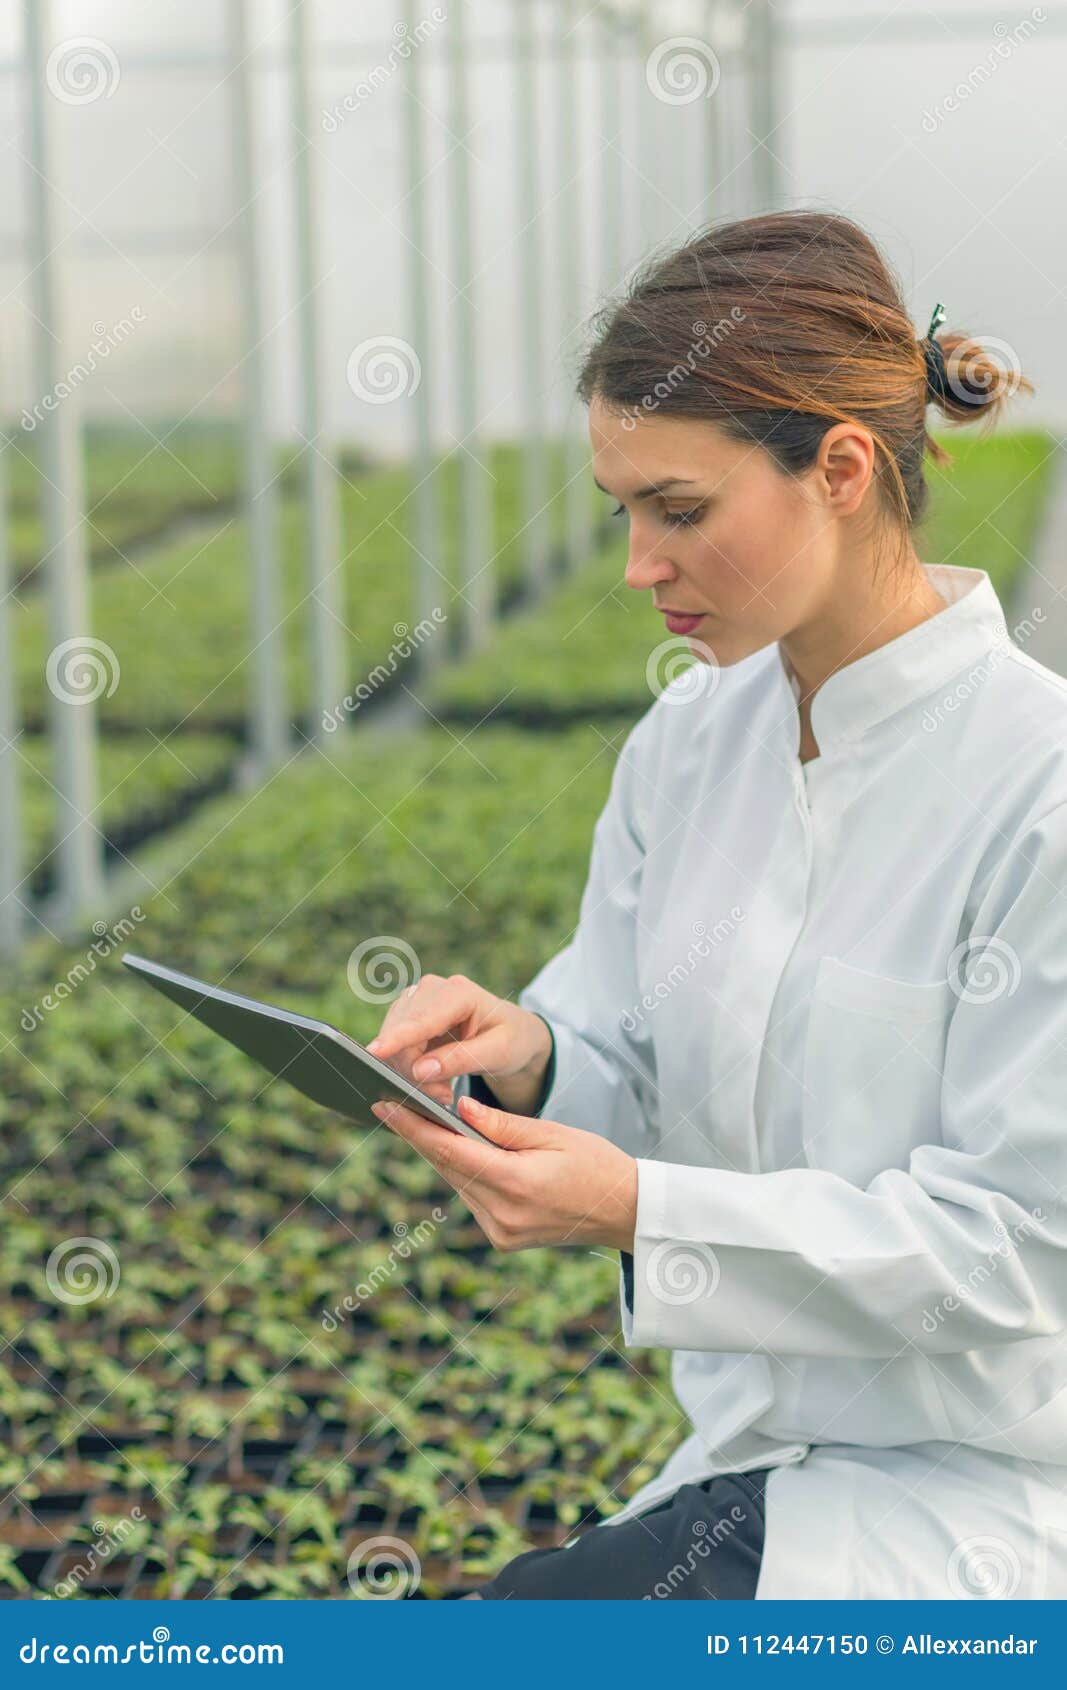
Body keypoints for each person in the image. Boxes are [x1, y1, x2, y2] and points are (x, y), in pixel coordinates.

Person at [367, 209, 1067, 1600]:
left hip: (978, 1491)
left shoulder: (1036, 790)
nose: (639, 565)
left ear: (844, 469)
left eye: (679, 511)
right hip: (750, 1462)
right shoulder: (688, 745)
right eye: (623, 510)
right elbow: (624, 1052)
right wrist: (527, 1062)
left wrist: (644, 1208)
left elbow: (1015, 1249)